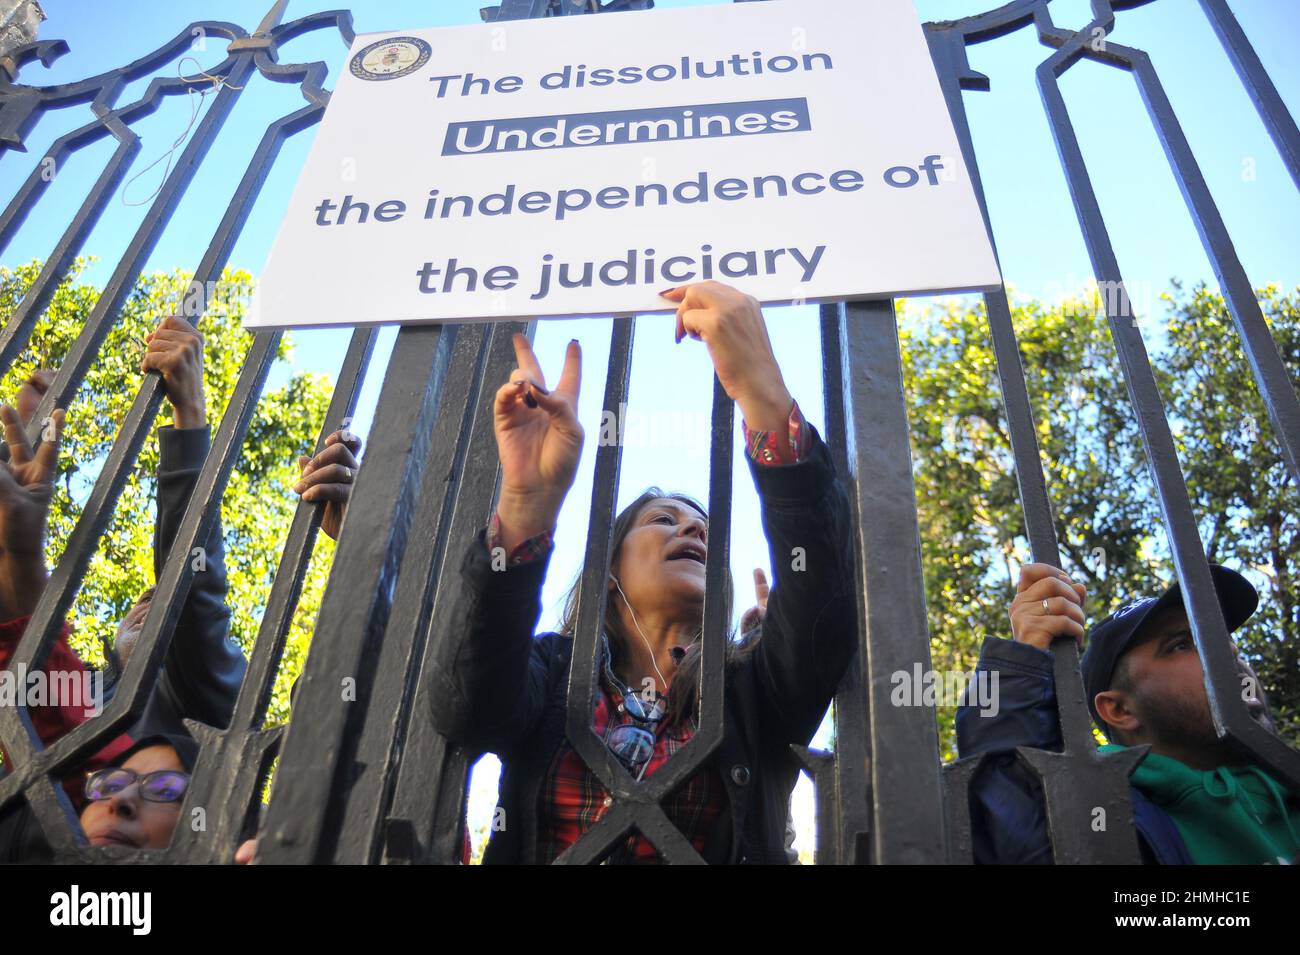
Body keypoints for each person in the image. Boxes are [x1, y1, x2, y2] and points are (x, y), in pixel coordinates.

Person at [428, 280, 857, 864]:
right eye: (663, 519)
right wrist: (526, 505)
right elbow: (464, 707)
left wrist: (766, 398)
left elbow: (822, 611)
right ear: (608, 572)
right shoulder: (552, 671)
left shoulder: (751, 688)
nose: (695, 530)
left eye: (703, 527)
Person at [0, 315, 245, 860]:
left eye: (163, 792)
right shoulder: (77, 685)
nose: (148, 609)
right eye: (140, 603)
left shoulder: (204, 694)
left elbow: (193, 595)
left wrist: (189, 422)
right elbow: (27, 663)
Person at [956, 562, 1299, 864]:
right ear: (1119, 709)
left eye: (1221, 636)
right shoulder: (1104, 816)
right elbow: (1016, 830)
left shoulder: (1287, 782)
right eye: (1181, 644)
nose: (1229, 649)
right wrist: (1025, 656)